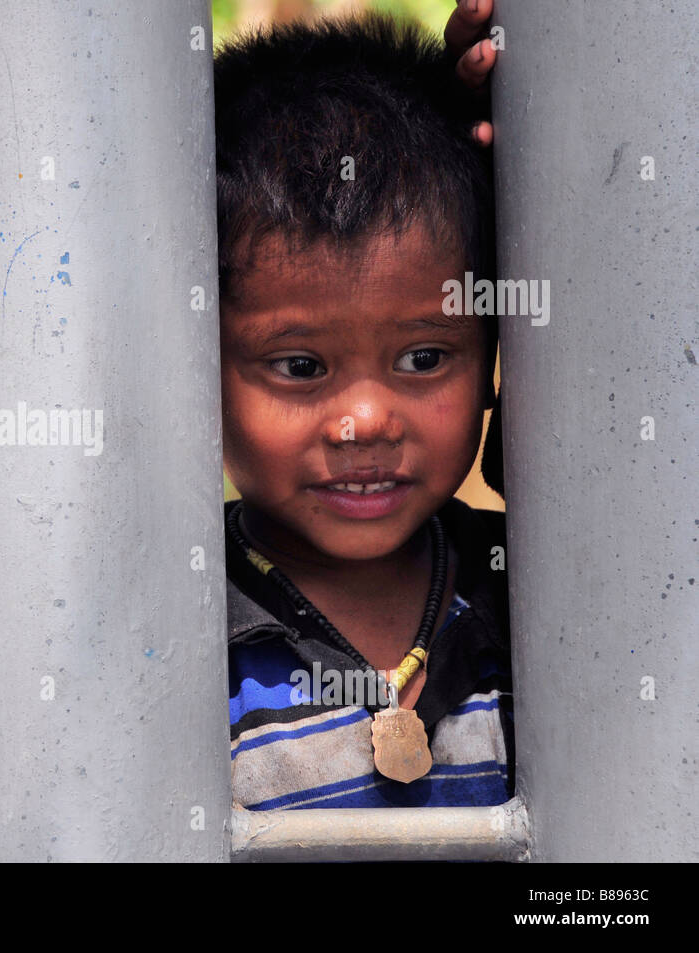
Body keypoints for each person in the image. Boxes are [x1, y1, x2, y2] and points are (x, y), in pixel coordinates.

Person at [215, 12, 512, 810]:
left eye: (424, 357)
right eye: (301, 366)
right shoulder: (170, 626)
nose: (368, 421)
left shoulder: (535, 588)